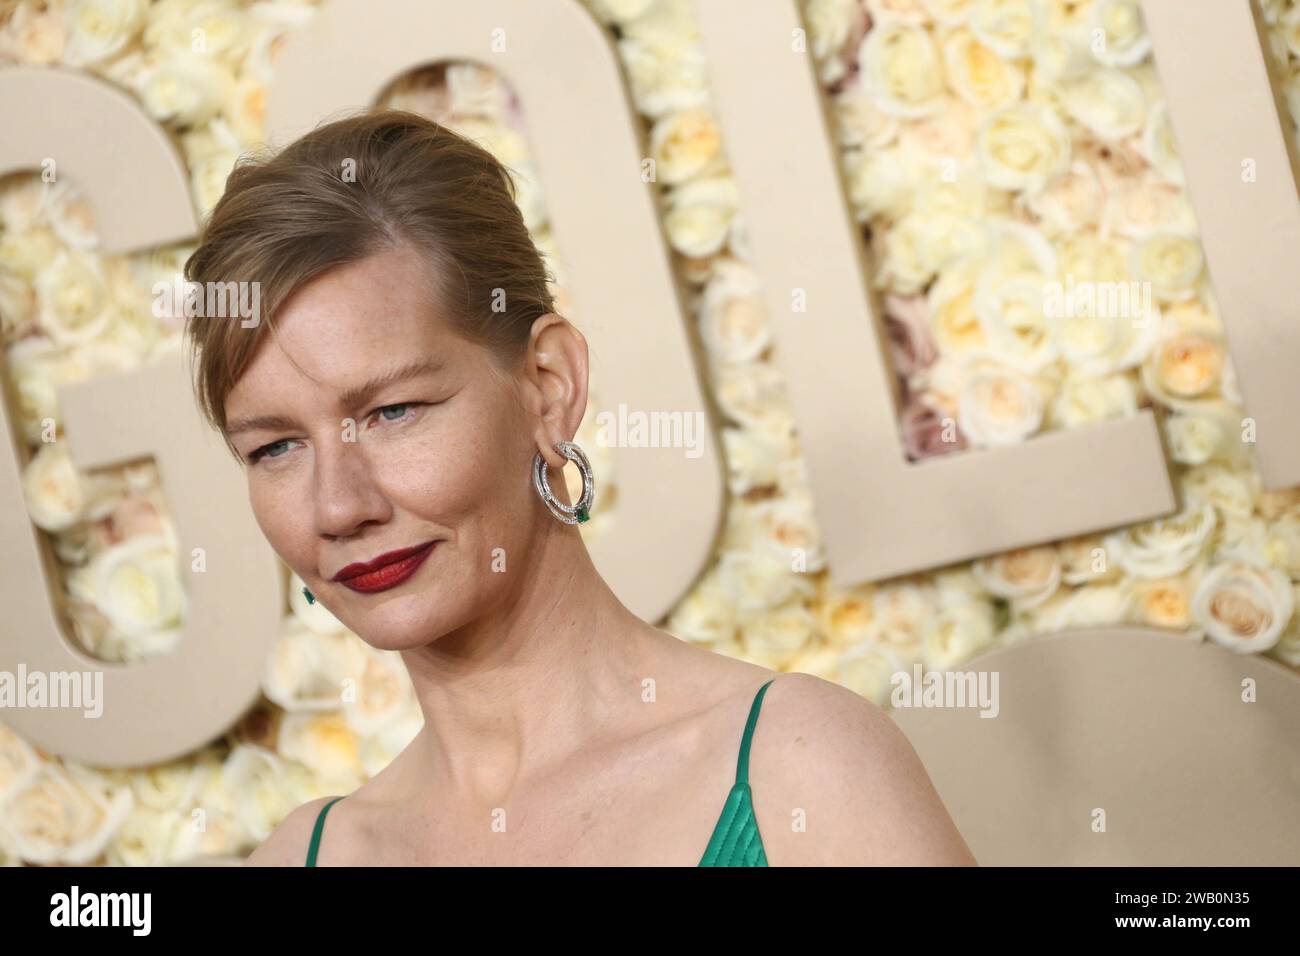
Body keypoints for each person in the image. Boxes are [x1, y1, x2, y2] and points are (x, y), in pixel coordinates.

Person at [183, 109, 976, 866]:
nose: (338, 506)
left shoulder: (797, 770)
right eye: (276, 447)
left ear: (548, 385)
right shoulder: (301, 858)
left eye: (393, 412)